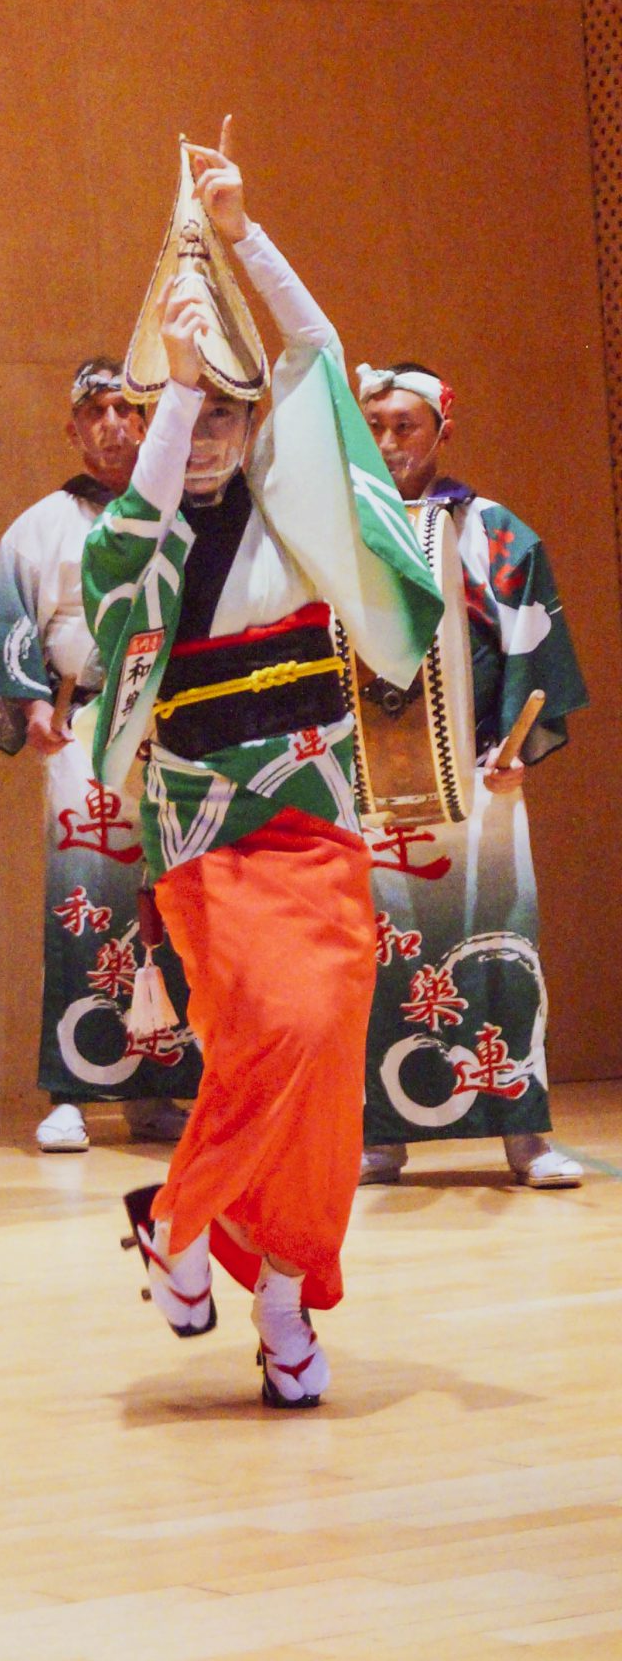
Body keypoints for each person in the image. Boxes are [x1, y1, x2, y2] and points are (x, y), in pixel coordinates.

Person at [84, 124, 444, 1407]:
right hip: (208, 844)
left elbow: (317, 362)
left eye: (232, 414)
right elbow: (127, 566)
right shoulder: (131, 542)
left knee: (323, 1065)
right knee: (268, 1036)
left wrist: (240, 233)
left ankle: (282, 1290)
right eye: (192, 415)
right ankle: (185, 1226)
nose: (212, 434)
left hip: (319, 827)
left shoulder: (303, 521)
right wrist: (172, 383)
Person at [354, 362, 589, 1188]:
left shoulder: (488, 527)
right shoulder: (339, 530)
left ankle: (523, 1130)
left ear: (442, 430)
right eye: (375, 423)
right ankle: (381, 1133)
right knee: (380, 953)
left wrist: (518, 743)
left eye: (405, 425)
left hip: (479, 780)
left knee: (502, 945)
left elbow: (529, 642)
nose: (388, 442)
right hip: (367, 787)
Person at [0, 359, 201, 1153]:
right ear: (71, 430)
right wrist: (34, 700)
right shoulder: (38, 526)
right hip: (84, 721)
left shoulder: (186, 510)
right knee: (86, 898)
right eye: (95, 410)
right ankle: (73, 1087)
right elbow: (9, 626)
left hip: (176, 725)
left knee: (176, 902)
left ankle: (159, 1091)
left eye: (125, 407)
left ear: (148, 421)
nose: (112, 422)